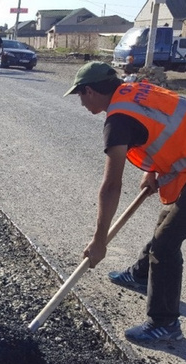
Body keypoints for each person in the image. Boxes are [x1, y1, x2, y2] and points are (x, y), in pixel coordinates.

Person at [64, 61, 185, 343]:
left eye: (79, 96)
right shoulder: (135, 90)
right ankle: (142, 275)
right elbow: (164, 123)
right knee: (167, 221)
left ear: (90, 91)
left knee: (166, 244)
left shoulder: (118, 120)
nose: (80, 103)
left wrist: (99, 240)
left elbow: (110, 187)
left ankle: (164, 323)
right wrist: (151, 169)